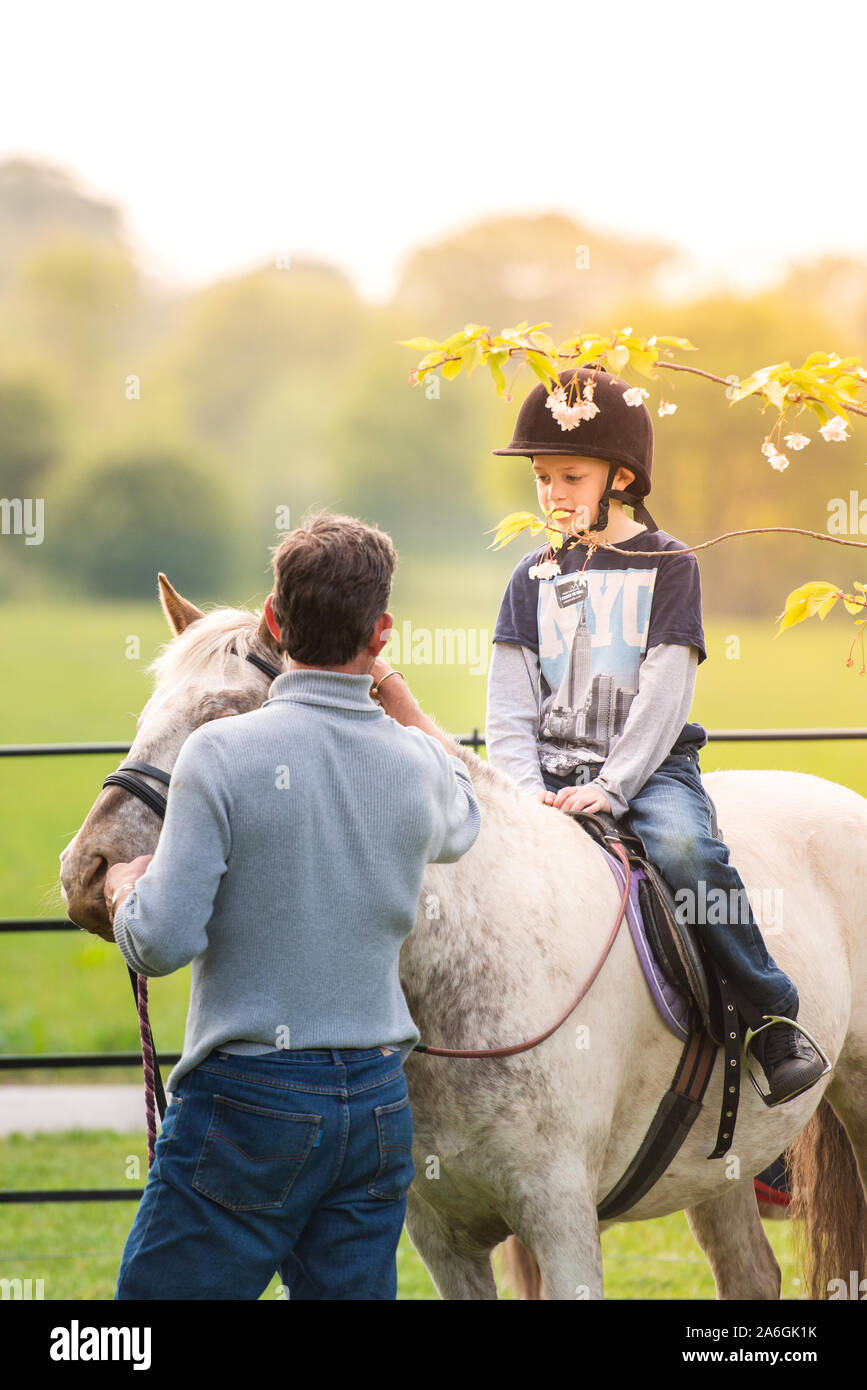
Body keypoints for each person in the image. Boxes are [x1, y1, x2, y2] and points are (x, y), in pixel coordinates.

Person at [106, 510, 481, 1300]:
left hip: (248, 1105)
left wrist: (123, 891)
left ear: (273, 622)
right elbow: (463, 799)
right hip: (378, 1104)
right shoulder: (416, 766)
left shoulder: (219, 754)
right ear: (380, 634)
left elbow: (163, 942)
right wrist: (396, 691)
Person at [484, 365, 827, 1106]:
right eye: (541, 478)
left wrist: (609, 788)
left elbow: (666, 692)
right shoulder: (529, 577)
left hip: (644, 770)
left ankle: (770, 1018)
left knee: (684, 851)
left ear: (621, 475)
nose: (551, 495)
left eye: (568, 476)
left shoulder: (667, 565)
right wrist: (523, 796)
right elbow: (507, 705)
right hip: (545, 776)